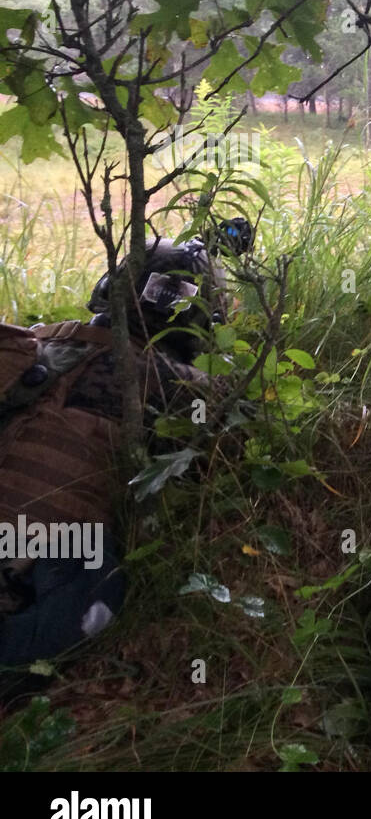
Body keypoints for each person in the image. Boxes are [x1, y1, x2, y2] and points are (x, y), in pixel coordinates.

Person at [0, 225, 245, 674]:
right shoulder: (169, 381)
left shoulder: (39, 341)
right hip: (39, 562)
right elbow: (247, 431)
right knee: (102, 580)